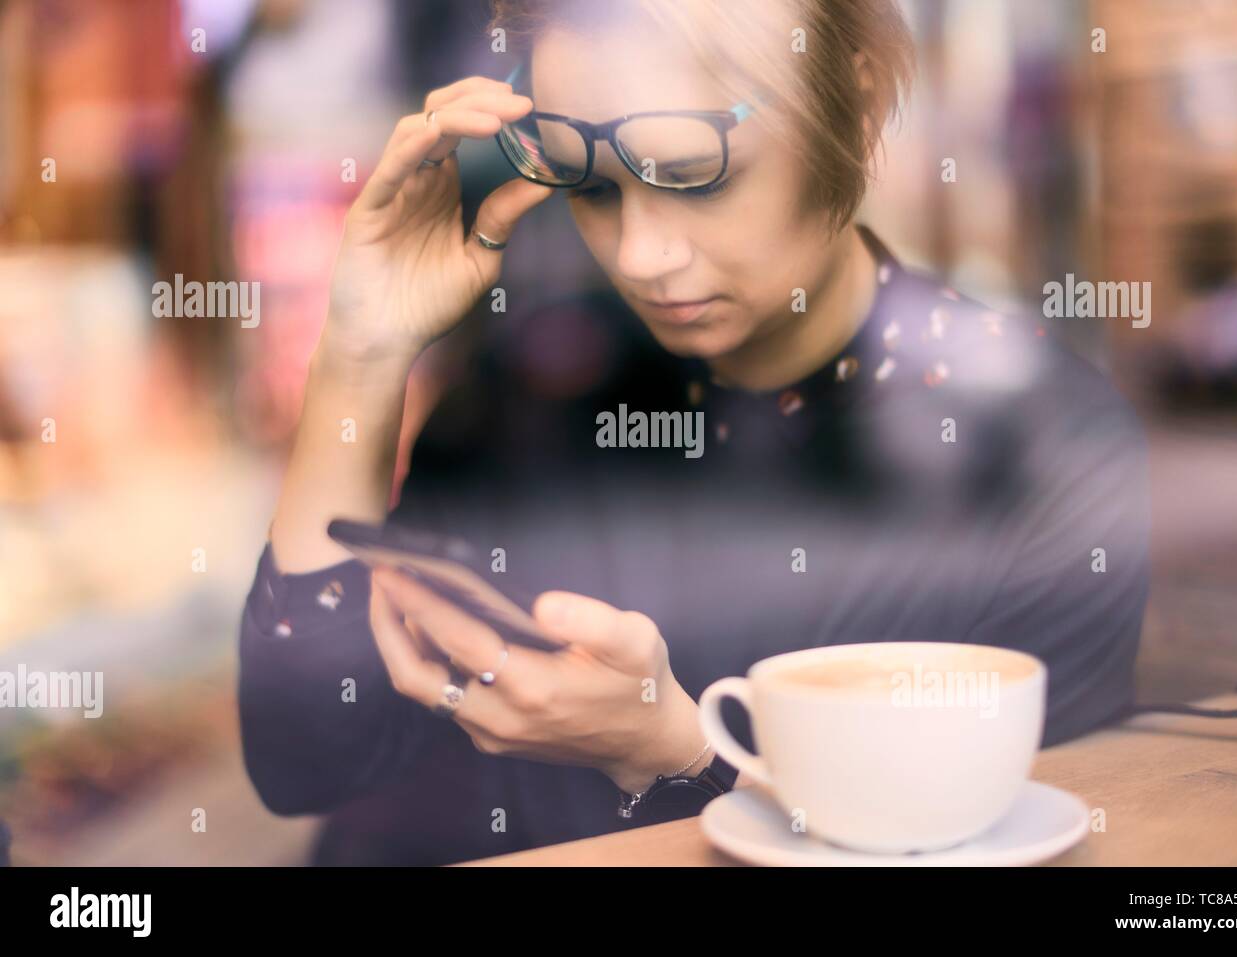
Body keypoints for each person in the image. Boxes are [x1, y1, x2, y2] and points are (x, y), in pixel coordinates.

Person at [238, 0, 1150, 866]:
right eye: (587, 183)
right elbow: (305, 760)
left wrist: (676, 756)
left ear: (858, 98)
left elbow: (1014, 843)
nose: (642, 254)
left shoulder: (1044, 452)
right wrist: (360, 349)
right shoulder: (529, 383)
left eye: (692, 171)